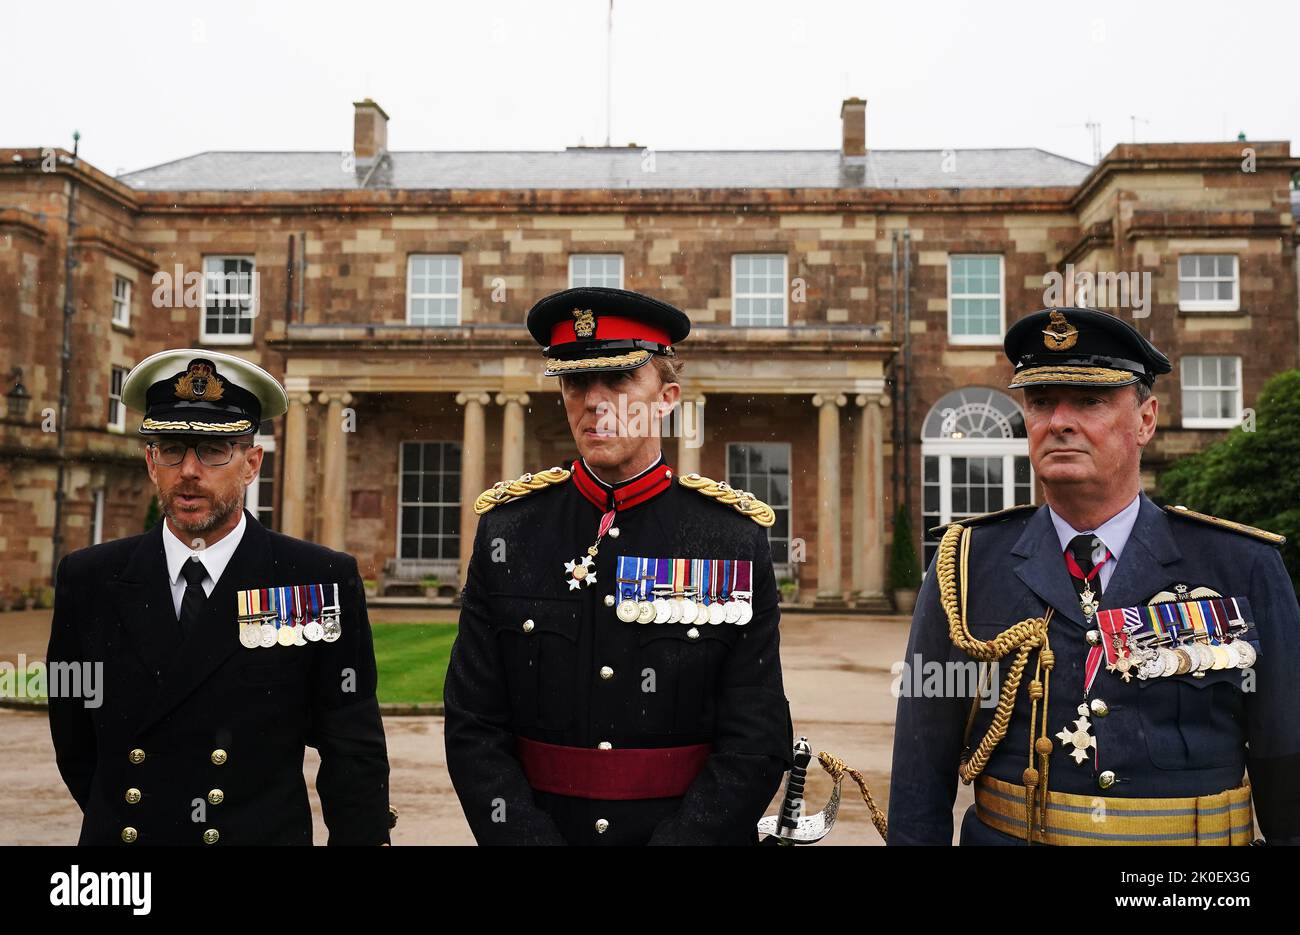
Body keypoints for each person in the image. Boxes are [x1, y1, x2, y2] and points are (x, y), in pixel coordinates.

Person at [888, 307, 1300, 845]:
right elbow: (922, 766)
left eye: (1090, 402)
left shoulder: (1240, 565)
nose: (1059, 421)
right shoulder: (966, 564)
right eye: (1040, 403)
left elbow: (1287, 765)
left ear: (1146, 421)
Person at [444, 286, 792, 845]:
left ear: (668, 397)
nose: (595, 402)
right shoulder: (509, 531)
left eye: (621, 380)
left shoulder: (729, 538)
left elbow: (756, 738)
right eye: (577, 382)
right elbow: (474, 725)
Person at [47, 350, 393, 845]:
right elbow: (73, 737)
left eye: (213, 451)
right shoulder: (89, 579)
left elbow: (352, 749)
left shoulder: (313, 580)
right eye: (171, 448)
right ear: (150, 461)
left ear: (251, 463)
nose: (189, 471)